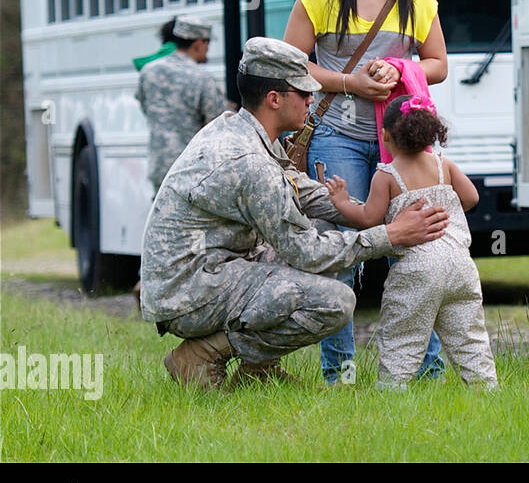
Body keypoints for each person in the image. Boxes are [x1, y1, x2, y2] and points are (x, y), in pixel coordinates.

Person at [139, 38, 448, 389]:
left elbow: (298, 188)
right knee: (334, 302)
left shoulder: (242, 129)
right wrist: (390, 236)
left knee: (321, 252)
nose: (312, 100)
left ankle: (258, 371)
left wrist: (373, 211)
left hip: (205, 269)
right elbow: (307, 251)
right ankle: (201, 355)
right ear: (275, 99)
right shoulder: (249, 162)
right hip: (187, 292)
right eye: (304, 94)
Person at [284, 0, 448, 384]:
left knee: (418, 249)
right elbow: (292, 66)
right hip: (337, 135)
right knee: (341, 248)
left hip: (400, 138)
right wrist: (351, 81)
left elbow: (438, 64)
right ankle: (340, 371)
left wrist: (400, 70)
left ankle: (426, 368)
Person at [324, 95, 498, 389]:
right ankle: (486, 386)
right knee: (468, 334)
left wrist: (341, 202)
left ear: (386, 135)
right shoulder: (444, 165)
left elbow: (369, 218)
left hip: (418, 270)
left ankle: (392, 388)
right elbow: (471, 198)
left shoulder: (387, 175)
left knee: (402, 335)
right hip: (460, 265)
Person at [135, 15, 228, 191]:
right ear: (199, 44)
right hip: (190, 169)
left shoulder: (148, 71)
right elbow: (218, 125)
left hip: (159, 166)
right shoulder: (202, 78)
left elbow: (145, 106)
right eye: (207, 44)